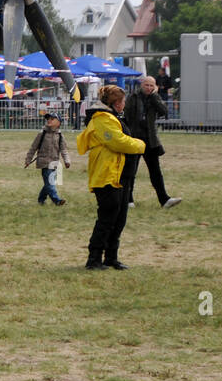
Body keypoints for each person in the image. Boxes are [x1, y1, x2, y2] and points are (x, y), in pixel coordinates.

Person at [76, 85, 146, 270]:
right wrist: (140, 145)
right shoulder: (102, 118)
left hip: (121, 175)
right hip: (107, 176)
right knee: (107, 218)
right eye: (122, 101)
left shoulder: (114, 117)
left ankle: (111, 257)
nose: (124, 104)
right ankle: (94, 259)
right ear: (115, 103)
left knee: (119, 219)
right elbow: (117, 142)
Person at [123, 76, 181, 210]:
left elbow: (164, 112)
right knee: (131, 171)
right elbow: (127, 115)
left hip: (150, 140)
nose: (149, 88)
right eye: (146, 85)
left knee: (155, 172)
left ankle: (164, 200)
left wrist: (155, 98)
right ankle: (128, 199)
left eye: (151, 86)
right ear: (141, 85)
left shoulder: (155, 98)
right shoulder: (133, 97)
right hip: (135, 139)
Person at [24, 112, 70, 205]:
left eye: (52, 119)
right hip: (44, 162)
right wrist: (28, 160)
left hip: (54, 164)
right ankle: (57, 200)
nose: (49, 120)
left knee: (48, 184)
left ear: (58, 122)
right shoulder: (42, 133)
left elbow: (64, 150)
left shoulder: (60, 136)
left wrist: (67, 161)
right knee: (50, 183)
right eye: (48, 119)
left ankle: (41, 199)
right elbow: (33, 147)